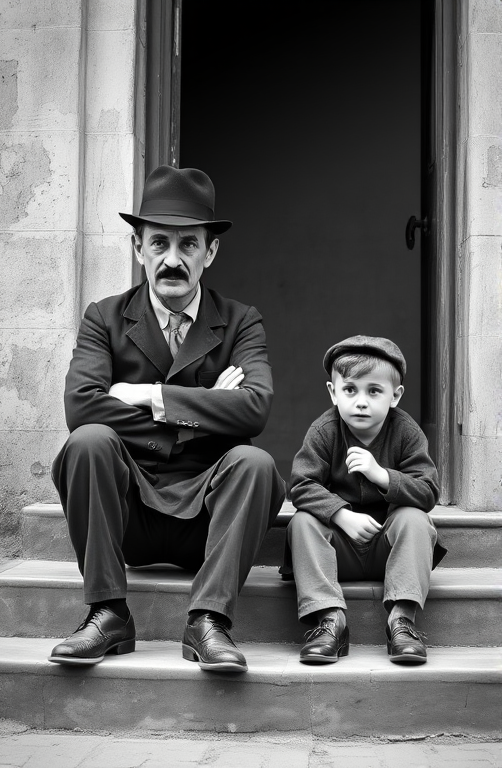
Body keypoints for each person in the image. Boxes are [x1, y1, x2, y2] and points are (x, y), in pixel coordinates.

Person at [48, 165, 285, 673]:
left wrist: (149, 395)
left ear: (210, 252)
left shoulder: (242, 320)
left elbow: (255, 408)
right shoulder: (104, 317)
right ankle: (108, 614)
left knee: (255, 462)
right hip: (127, 511)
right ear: (138, 248)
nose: (172, 260)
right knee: (89, 441)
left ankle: (208, 623)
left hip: (208, 518)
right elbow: (82, 406)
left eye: (188, 245)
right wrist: (201, 412)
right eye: (159, 244)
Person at [283, 335, 446, 665]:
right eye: (350, 390)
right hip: (337, 549)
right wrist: (341, 515)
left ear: (395, 396)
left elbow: (428, 491)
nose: (361, 402)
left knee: (415, 519)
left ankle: (401, 622)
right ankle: (330, 621)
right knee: (301, 521)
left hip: (389, 552)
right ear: (333, 392)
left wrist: (381, 475)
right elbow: (300, 485)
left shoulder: (406, 432)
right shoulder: (325, 430)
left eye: (374, 391)